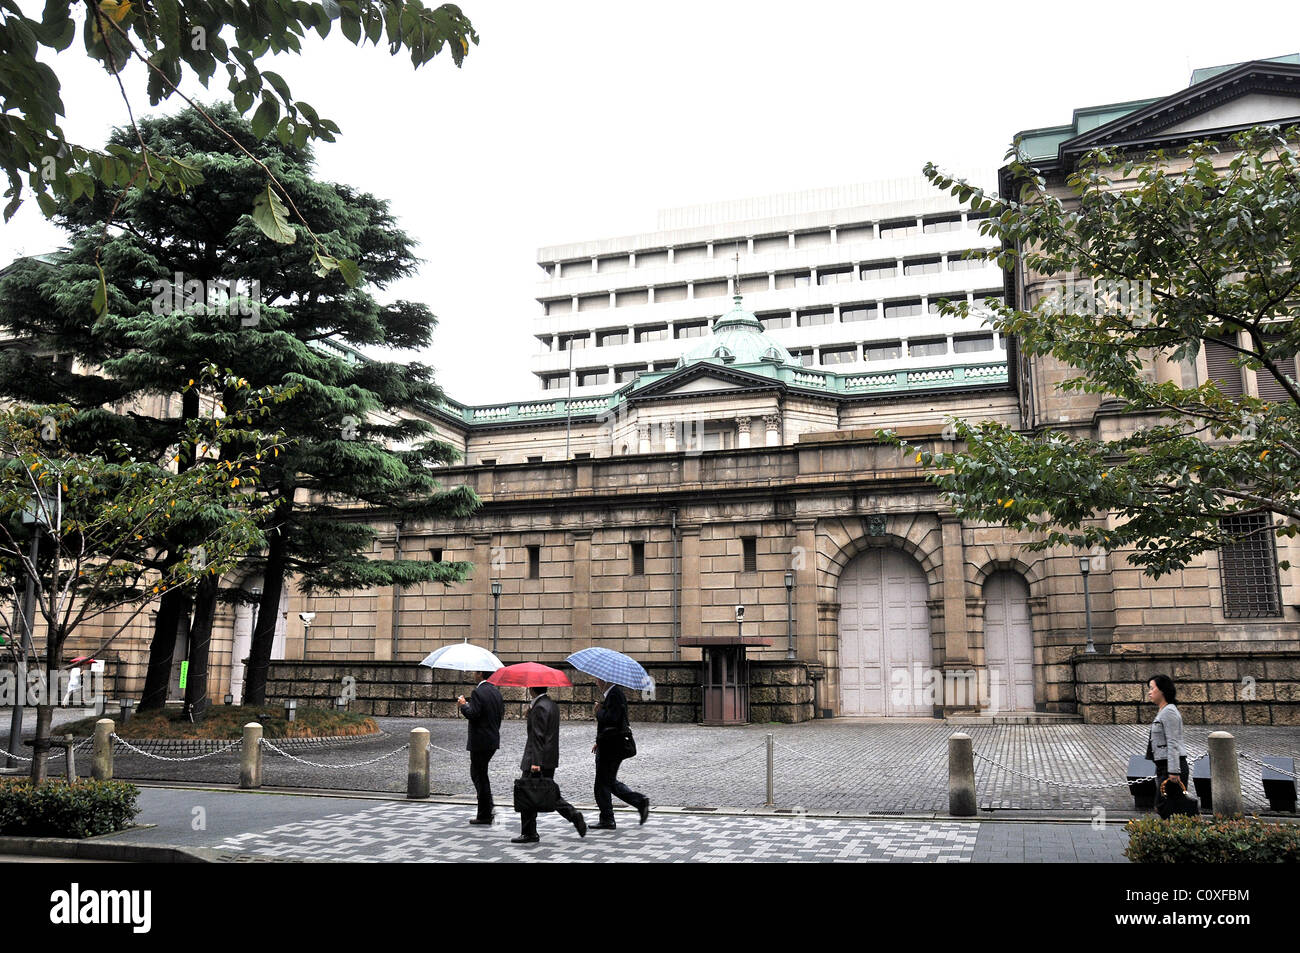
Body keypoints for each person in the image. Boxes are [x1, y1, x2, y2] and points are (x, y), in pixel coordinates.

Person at [513, 686, 586, 844]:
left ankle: (529, 833)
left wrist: (536, 763)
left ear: (533, 689)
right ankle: (573, 815)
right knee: (548, 793)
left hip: (537, 758)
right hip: (549, 758)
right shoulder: (550, 704)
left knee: (527, 793)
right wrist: (530, 715)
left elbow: (538, 736)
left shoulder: (539, 707)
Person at [590, 677, 649, 830]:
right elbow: (616, 722)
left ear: (604, 680)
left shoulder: (615, 694)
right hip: (608, 744)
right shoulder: (613, 695)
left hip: (611, 747)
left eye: (597, 679)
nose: (596, 682)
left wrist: (599, 711)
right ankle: (637, 802)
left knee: (602, 784)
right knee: (608, 782)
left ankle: (608, 819)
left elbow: (613, 719)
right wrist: (599, 741)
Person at [457, 671, 504, 825]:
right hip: (492, 739)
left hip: (480, 742)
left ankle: (485, 813)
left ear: (480, 674)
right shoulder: (496, 692)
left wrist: (463, 706)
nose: (473, 674)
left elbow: (474, 714)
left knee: (478, 775)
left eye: (475, 672)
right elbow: (494, 714)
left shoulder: (478, 692)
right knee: (481, 774)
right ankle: (487, 809)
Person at [1146, 673, 1188, 790]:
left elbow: (1173, 741)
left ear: (1162, 691)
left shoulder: (1169, 712)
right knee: (1163, 805)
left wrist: (1174, 771)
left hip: (1171, 768)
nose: (1149, 692)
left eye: (1152, 688)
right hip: (1163, 766)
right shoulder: (1163, 711)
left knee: (1168, 806)